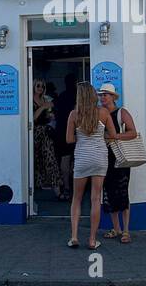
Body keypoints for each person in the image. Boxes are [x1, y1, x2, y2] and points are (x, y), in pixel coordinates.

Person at [66, 82, 117, 250]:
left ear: (79, 97)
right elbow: (113, 135)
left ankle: (74, 237)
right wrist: (101, 137)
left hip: (82, 158)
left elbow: (69, 140)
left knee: (77, 198)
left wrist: (80, 135)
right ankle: (92, 240)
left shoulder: (74, 115)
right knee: (96, 199)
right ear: (94, 96)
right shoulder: (103, 113)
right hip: (99, 158)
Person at [98, 85, 137, 243]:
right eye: (101, 95)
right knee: (109, 192)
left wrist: (114, 137)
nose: (103, 97)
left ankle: (126, 230)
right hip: (104, 157)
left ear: (113, 97)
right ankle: (116, 228)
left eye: (106, 95)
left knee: (122, 192)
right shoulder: (99, 114)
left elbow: (133, 132)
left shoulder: (122, 113)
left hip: (120, 158)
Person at [32, 78, 61, 194]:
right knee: (35, 160)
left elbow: (48, 116)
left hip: (45, 131)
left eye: (42, 86)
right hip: (34, 132)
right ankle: (37, 186)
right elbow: (32, 117)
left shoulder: (45, 99)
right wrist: (43, 107)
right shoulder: (29, 99)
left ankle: (57, 189)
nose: (40, 88)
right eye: (38, 86)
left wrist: (51, 115)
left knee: (50, 157)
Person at [53, 72, 78, 202]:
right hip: (75, 131)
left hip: (61, 130)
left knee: (64, 160)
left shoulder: (62, 96)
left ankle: (67, 187)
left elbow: (55, 113)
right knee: (73, 160)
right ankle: (73, 188)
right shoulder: (77, 96)